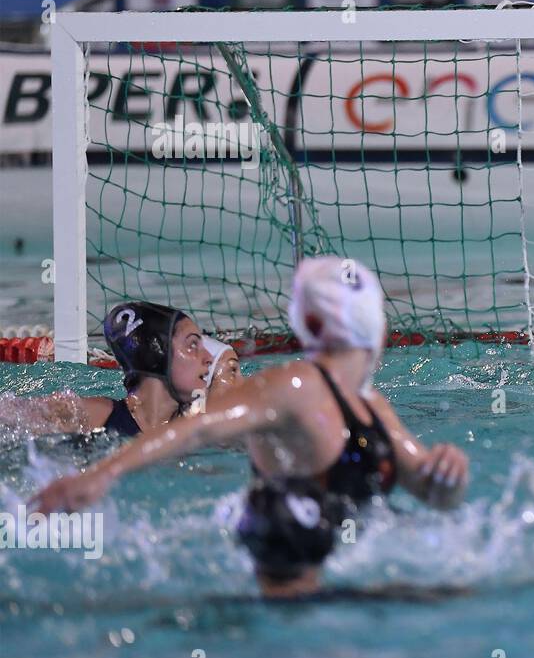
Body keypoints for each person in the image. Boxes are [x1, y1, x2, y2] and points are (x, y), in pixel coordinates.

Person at [30, 256, 471, 598]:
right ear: (376, 325)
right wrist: (102, 475)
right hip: (287, 592)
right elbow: (199, 430)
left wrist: (447, 474)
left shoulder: (372, 407)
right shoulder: (293, 385)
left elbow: (435, 493)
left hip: (346, 581)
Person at [0, 302, 212, 436]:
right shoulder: (91, 415)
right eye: (192, 345)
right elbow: (10, 414)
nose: (209, 358)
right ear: (157, 354)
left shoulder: (202, 427)